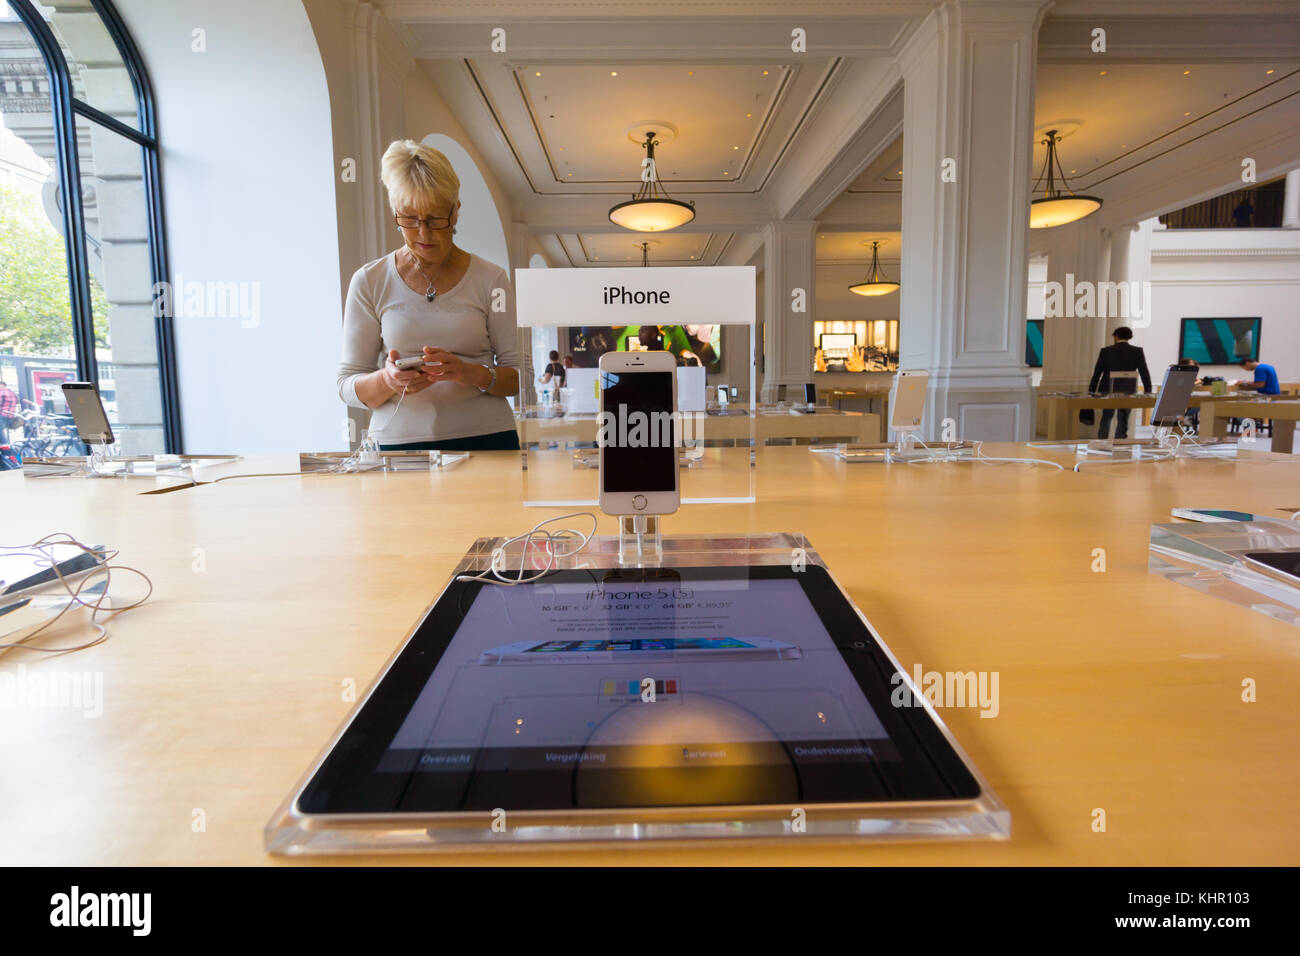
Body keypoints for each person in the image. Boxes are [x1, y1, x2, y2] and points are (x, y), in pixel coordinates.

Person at [337, 140, 520, 451]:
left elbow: (520, 378)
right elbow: (347, 385)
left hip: (487, 440)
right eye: (409, 219)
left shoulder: (491, 279)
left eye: (436, 219)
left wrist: (469, 372)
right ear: (395, 212)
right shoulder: (370, 281)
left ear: (456, 211)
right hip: (399, 445)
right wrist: (387, 380)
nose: (424, 234)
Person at [1088, 326, 1152, 439]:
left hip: (1107, 389)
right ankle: (1120, 442)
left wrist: (1091, 390)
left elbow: (1097, 372)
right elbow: (1144, 372)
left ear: (1116, 336)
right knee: (1123, 418)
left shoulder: (1106, 351)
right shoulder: (1137, 351)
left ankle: (1102, 441)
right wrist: (1148, 390)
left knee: (1107, 416)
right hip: (1128, 389)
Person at [0, 378, 20, 443]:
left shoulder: (2, 392)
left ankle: (7, 449)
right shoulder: (13, 393)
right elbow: (17, 401)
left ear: (2, 385)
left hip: (2, 415)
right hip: (11, 416)